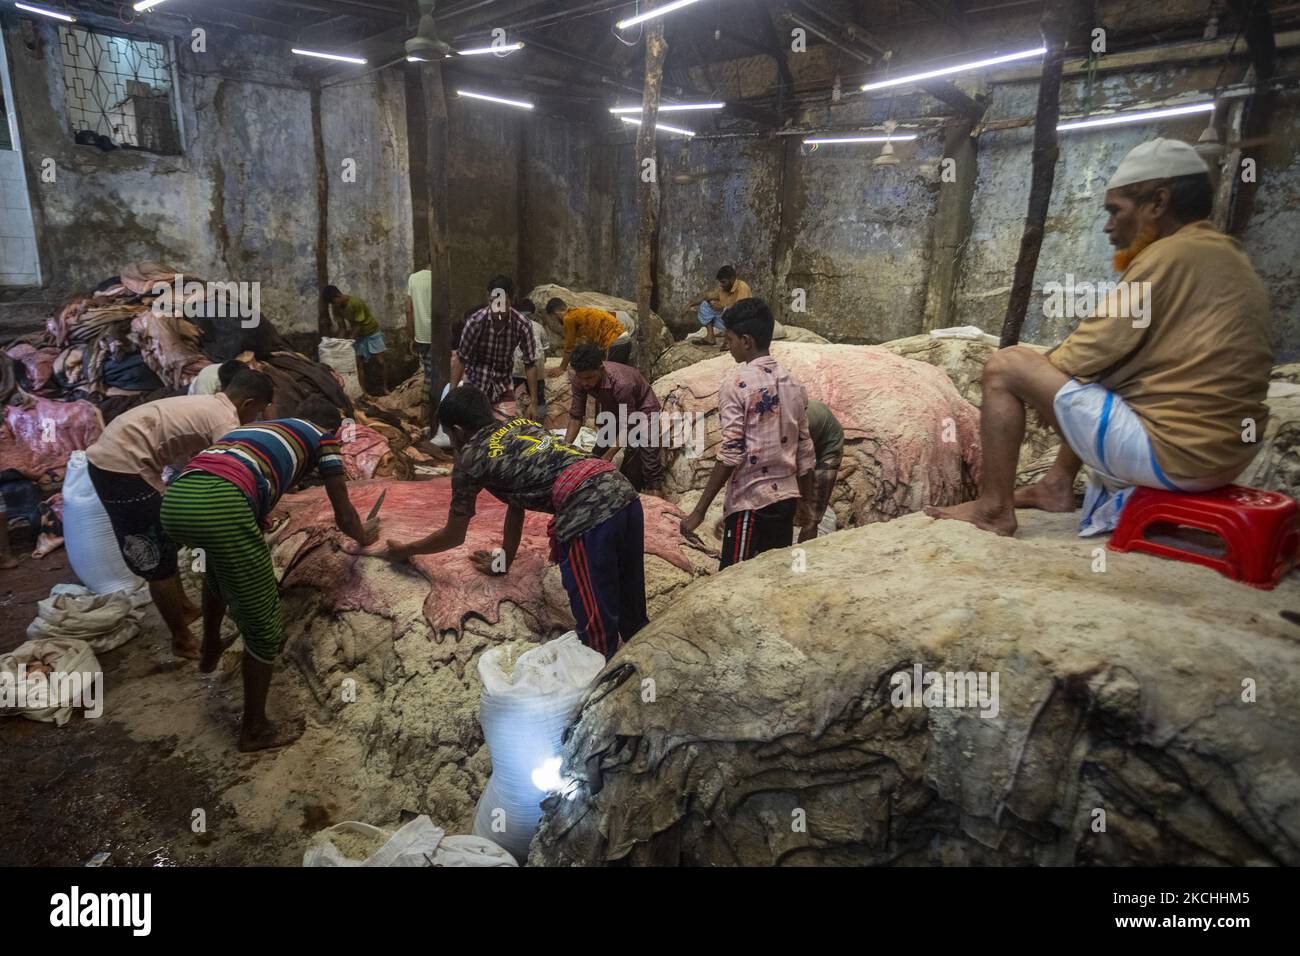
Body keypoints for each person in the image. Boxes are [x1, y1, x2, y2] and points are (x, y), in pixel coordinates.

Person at [927, 138, 1272, 537]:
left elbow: (1085, 351)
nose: (1108, 226)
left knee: (1006, 367)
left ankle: (993, 511)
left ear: (1157, 203)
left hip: (1179, 456)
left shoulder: (1169, 255)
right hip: (1229, 453)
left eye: (1115, 211)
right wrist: (1060, 381)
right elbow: (1102, 358)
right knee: (1097, 376)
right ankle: (1056, 485)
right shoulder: (1223, 252)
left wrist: (1038, 387)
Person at [160, 396, 378, 751]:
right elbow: (344, 513)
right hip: (221, 504)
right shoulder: (325, 438)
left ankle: (211, 645)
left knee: (218, 565)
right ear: (333, 427)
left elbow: (240, 472)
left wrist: (254, 509)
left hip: (178, 499)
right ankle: (255, 730)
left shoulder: (255, 429)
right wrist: (363, 534)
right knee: (264, 625)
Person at [383, 385, 647, 660]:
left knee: (596, 634)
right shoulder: (517, 424)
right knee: (632, 610)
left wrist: (406, 550)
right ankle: (643, 667)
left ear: (458, 431)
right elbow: (516, 504)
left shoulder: (470, 459)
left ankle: (603, 687)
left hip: (588, 512)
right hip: (622, 493)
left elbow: (454, 535)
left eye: (450, 435)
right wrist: (503, 562)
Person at [85, 368, 273, 659]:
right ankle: (181, 640)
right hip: (120, 467)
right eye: (258, 412)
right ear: (248, 403)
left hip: (123, 456)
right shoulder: (225, 421)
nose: (255, 419)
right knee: (155, 557)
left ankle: (184, 608)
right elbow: (235, 473)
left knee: (164, 540)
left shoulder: (208, 404)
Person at [680, 298, 815, 566]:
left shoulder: (736, 384)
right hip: (785, 501)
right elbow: (805, 449)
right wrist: (806, 505)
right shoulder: (793, 383)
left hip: (750, 505)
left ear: (746, 341)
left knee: (734, 579)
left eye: (729, 340)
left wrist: (699, 511)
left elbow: (731, 451)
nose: (727, 347)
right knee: (772, 575)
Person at [565, 343, 665, 493]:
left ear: (601, 369)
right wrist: (564, 447)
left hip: (644, 409)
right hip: (614, 410)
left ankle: (656, 494)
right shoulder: (579, 379)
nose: (585, 382)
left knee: (649, 457)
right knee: (597, 454)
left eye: (589, 377)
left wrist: (610, 454)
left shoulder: (621, 383)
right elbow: (576, 416)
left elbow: (629, 424)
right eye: (581, 378)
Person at [456, 276, 540, 421]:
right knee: (472, 429)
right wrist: (453, 393)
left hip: (503, 385)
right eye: (493, 302)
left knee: (503, 434)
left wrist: (534, 401)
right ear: (488, 298)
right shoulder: (475, 322)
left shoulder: (522, 325)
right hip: (475, 384)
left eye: (503, 303)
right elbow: (461, 358)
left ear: (512, 301)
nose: (497, 308)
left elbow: (530, 363)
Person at [324, 284, 388, 395]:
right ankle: (364, 393)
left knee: (381, 362)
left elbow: (359, 325)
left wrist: (350, 339)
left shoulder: (356, 303)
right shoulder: (336, 308)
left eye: (334, 302)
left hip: (372, 332)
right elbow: (342, 328)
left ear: (338, 295)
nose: (333, 305)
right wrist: (337, 343)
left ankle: (385, 388)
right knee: (359, 364)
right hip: (359, 336)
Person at [545, 297, 632, 374]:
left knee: (611, 375)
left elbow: (569, 348)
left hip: (615, 341)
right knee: (622, 373)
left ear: (556, 313)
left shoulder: (568, 318)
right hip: (625, 338)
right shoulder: (579, 312)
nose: (555, 321)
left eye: (553, 317)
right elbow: (591, 340)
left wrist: (561, 368)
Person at [798, 399, 844, 543]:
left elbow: (804, 468)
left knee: (813, 513)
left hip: (828, 441)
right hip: (806, 437)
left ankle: (802, 556)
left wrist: (804, 503)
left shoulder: (794, 427)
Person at [684, 265, 752, 348]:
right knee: (705, 305)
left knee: (730, 311)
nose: (721, 285)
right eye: (720, 282)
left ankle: (730, 340)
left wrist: (722, 306)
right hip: (728, 321)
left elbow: (741, 308)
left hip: (745, 323)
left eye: (723, 282)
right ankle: (710, 338)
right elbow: (705, 295)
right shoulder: (723, 290)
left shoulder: (742, 287)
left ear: (732, 279)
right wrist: (689, 305)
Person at [512, 298, 548, 419]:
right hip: (536, 368)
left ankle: (518, 422)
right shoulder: (538, 327)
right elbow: (545, 349)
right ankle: (538, 424)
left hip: (516, 368)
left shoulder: (511, 326)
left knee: (517, 396)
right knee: (539, 399)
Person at [406, 267, 434, 409]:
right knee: (433, 377)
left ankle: (425, 411)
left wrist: (412, 336)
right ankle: (426, 412)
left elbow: (408, 310)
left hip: (421, 335)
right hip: (436, 335)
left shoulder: (413, 278)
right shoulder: (439, 278)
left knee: (427, 373)